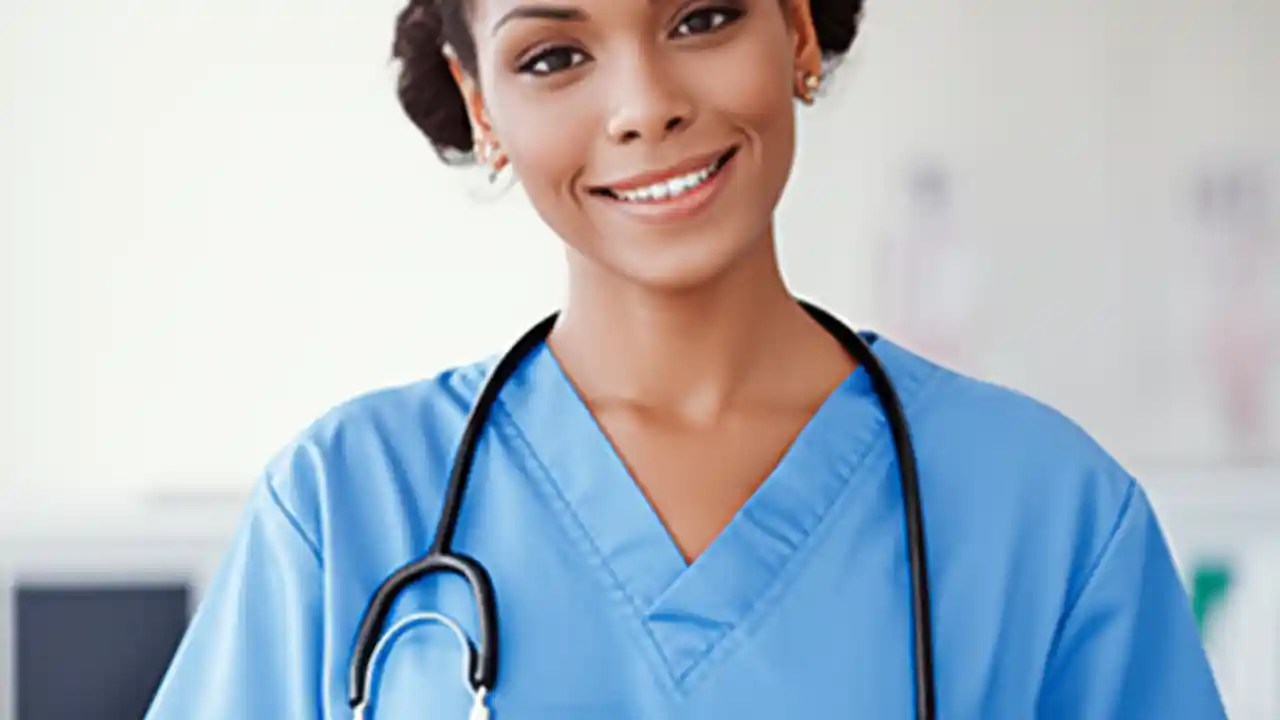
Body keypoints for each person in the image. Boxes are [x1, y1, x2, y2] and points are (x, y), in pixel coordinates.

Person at [145, 0, 1228, 717]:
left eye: (701, 15)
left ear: (796, 29)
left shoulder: (1044, 514)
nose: (644, 104)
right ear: (481, 102)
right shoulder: (345, 509)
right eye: (553, 55)